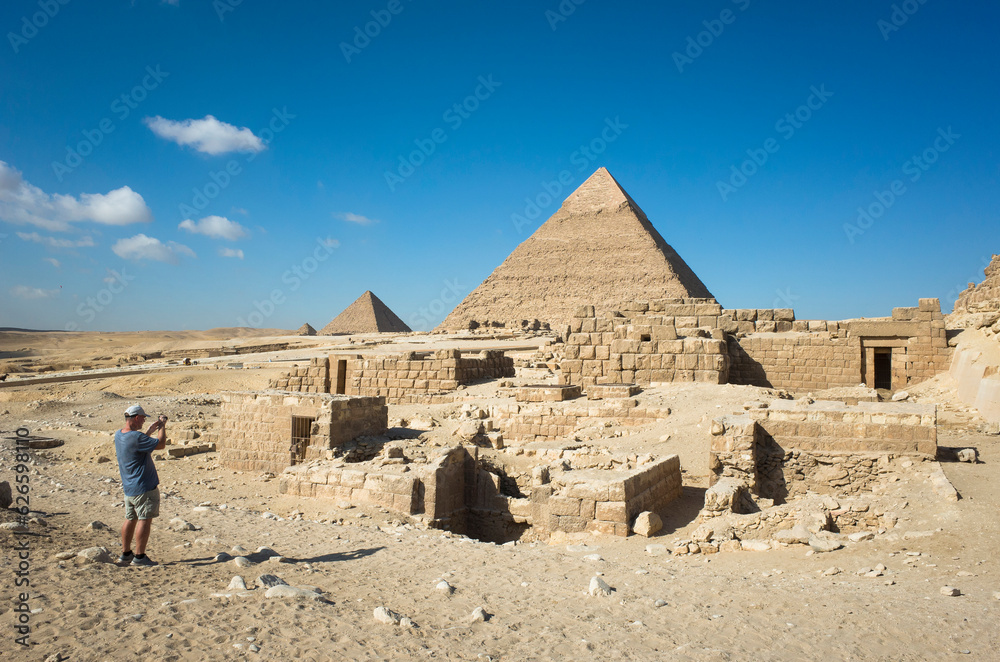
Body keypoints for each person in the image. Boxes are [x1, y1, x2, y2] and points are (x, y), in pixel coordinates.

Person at [114, 404, 167, 567]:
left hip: (129, 487)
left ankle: (125, 553)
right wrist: (162, 427)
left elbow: (139, 444)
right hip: (143, 487)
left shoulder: (119, 435)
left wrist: (149, 431)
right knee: (144, 519)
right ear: (136, 418)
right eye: (143, 418)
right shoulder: (137, 438)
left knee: (130, 518)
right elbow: (161, 444)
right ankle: (140, 556)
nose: (144, 421)